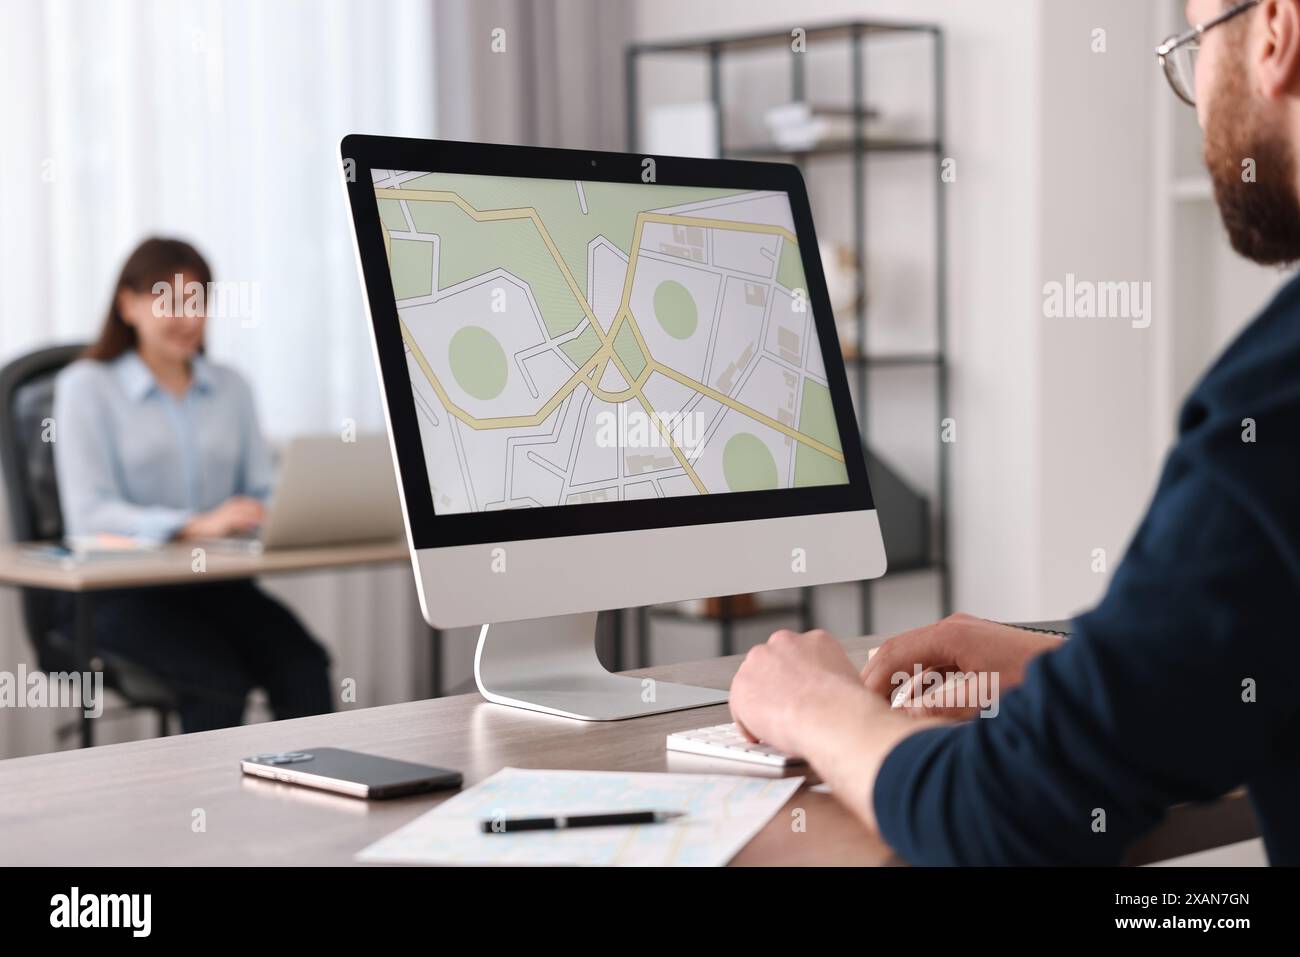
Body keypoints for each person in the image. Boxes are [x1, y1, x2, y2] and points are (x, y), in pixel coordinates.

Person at [729, 0, 1300, 865]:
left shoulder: (1274, 404)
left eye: (1191, 47)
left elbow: (1003, 816)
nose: (1197, 99)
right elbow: (1238, 644)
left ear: (1273, 34)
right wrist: (1064, 665)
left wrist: (809, 703)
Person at [53, 237, 333, 732]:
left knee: (303, 664)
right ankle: (208, 811)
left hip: (215, 585)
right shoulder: (86, 387)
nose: (190, 316)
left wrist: (270, 512)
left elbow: (262, 489)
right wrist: (195, 525)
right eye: (173, 301)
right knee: (216, 681)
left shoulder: (231, 387)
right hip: (119, 593)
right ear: (128, 305)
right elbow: (89, 513)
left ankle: (316, 794)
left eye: (200, 301)